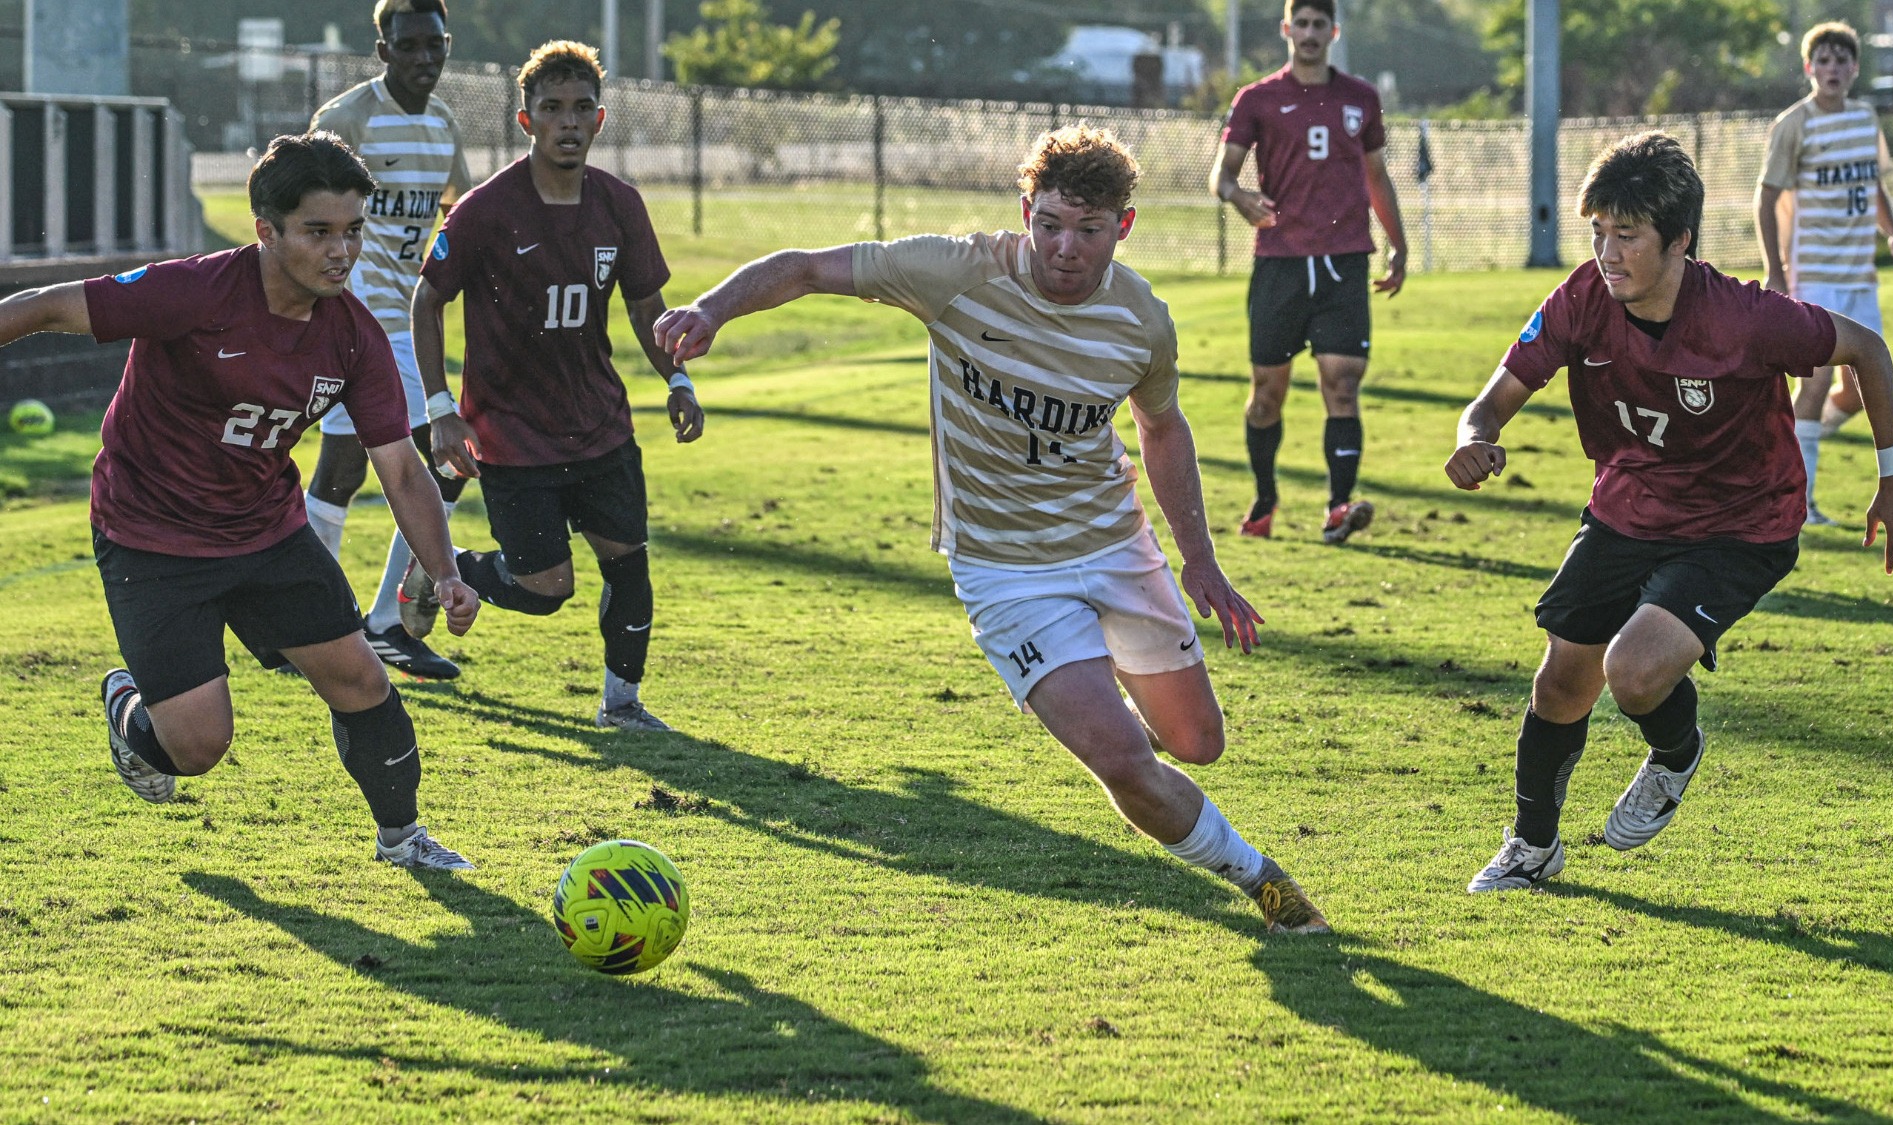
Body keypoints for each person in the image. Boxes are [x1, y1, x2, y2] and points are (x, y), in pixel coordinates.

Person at [655, 125, 1331, 934]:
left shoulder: (1142, 320)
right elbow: (804, 267)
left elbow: (1162, 428)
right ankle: (1259, 878)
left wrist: (1200, 561)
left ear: (1125, 226)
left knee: (1198, 743)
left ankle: (1106, 685)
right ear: (1025, 212)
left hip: (1117, 547)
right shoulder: (956, 271)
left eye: (1088, 229)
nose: (1065, 248)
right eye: (1048, 223)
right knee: (1123, 760)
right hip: (1005, 572)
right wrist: (712, 308)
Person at [1445, 132, 1893, 893]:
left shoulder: (1744, 317)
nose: (1607, 251)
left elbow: (1867, 348)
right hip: (1630, 503)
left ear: (1679, 241)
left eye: (1626, 235)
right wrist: (1476, 438)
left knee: (1632, 673)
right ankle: (1533, 847)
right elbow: (1493, 398)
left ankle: (1675, 753)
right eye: (1597, 231)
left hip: (1743, 523)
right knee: (1561, 681)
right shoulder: (1580, 298)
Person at [0, 133, 481, 869]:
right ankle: (132, 702)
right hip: (148, 536)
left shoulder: (354, 336)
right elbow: (43, 307)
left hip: (265, 531)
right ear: (267, 229)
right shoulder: (192, 291)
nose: (341, 252)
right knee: (197, 746)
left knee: (358, 675)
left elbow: (403, 470)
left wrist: (443, 570)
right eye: (319, 232)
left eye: (353, 231)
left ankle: (404, 840)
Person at [409, 40, 703, 732]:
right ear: (526, 120)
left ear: (599, 121)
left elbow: (644, 306)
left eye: (581, 109)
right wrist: (440, 408)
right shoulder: (484, 211)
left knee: (628, 563)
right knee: (546, 590)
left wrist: (680, 378)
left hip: (600, 423)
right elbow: (428, 302)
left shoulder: (620, 206)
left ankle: (621, 705)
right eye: (552, 109)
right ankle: (444, 568)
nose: (567, 122)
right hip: (510, 434)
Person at [301, 0, 475, 677]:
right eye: (410, 45)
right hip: (353, 318)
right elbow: (300, 207)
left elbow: (462, 209)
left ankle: (329, 624)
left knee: (347, 470)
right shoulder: (348, 120)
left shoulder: (443, 124)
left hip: (406, 321)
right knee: (439, 458)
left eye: (435, 45)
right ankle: (383, 623)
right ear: (383, 50)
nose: (424, 58)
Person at [1209, 0, 1408, 544]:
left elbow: (1376, 176)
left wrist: (1399, 244)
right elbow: (1222, 176)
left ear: (1334, 32)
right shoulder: (1258, 98)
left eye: (1321, 25)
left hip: (1344, 262)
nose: (1311, 33)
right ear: (1286, 30)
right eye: (1302, 24)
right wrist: (1239, 197)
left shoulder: (1360, 98)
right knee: (1266, 394)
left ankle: (1339, 508)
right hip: (1279, 265)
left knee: (1342, 386)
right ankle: (1265, 501)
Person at [1755, 20, 1893, 527]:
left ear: (1855, 68)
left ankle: (1790, 445)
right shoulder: (1793, 124)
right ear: (1809, 68)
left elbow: (1872, 184)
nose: (1832, 69)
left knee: (1864, 387)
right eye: (1823, 60)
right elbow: (1766, 195)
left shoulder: (1866, 118)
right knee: (1818, 384)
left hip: (1859, 277)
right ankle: (1797, 506)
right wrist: (1775, 270)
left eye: (1841, 60)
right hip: (1815, 275)